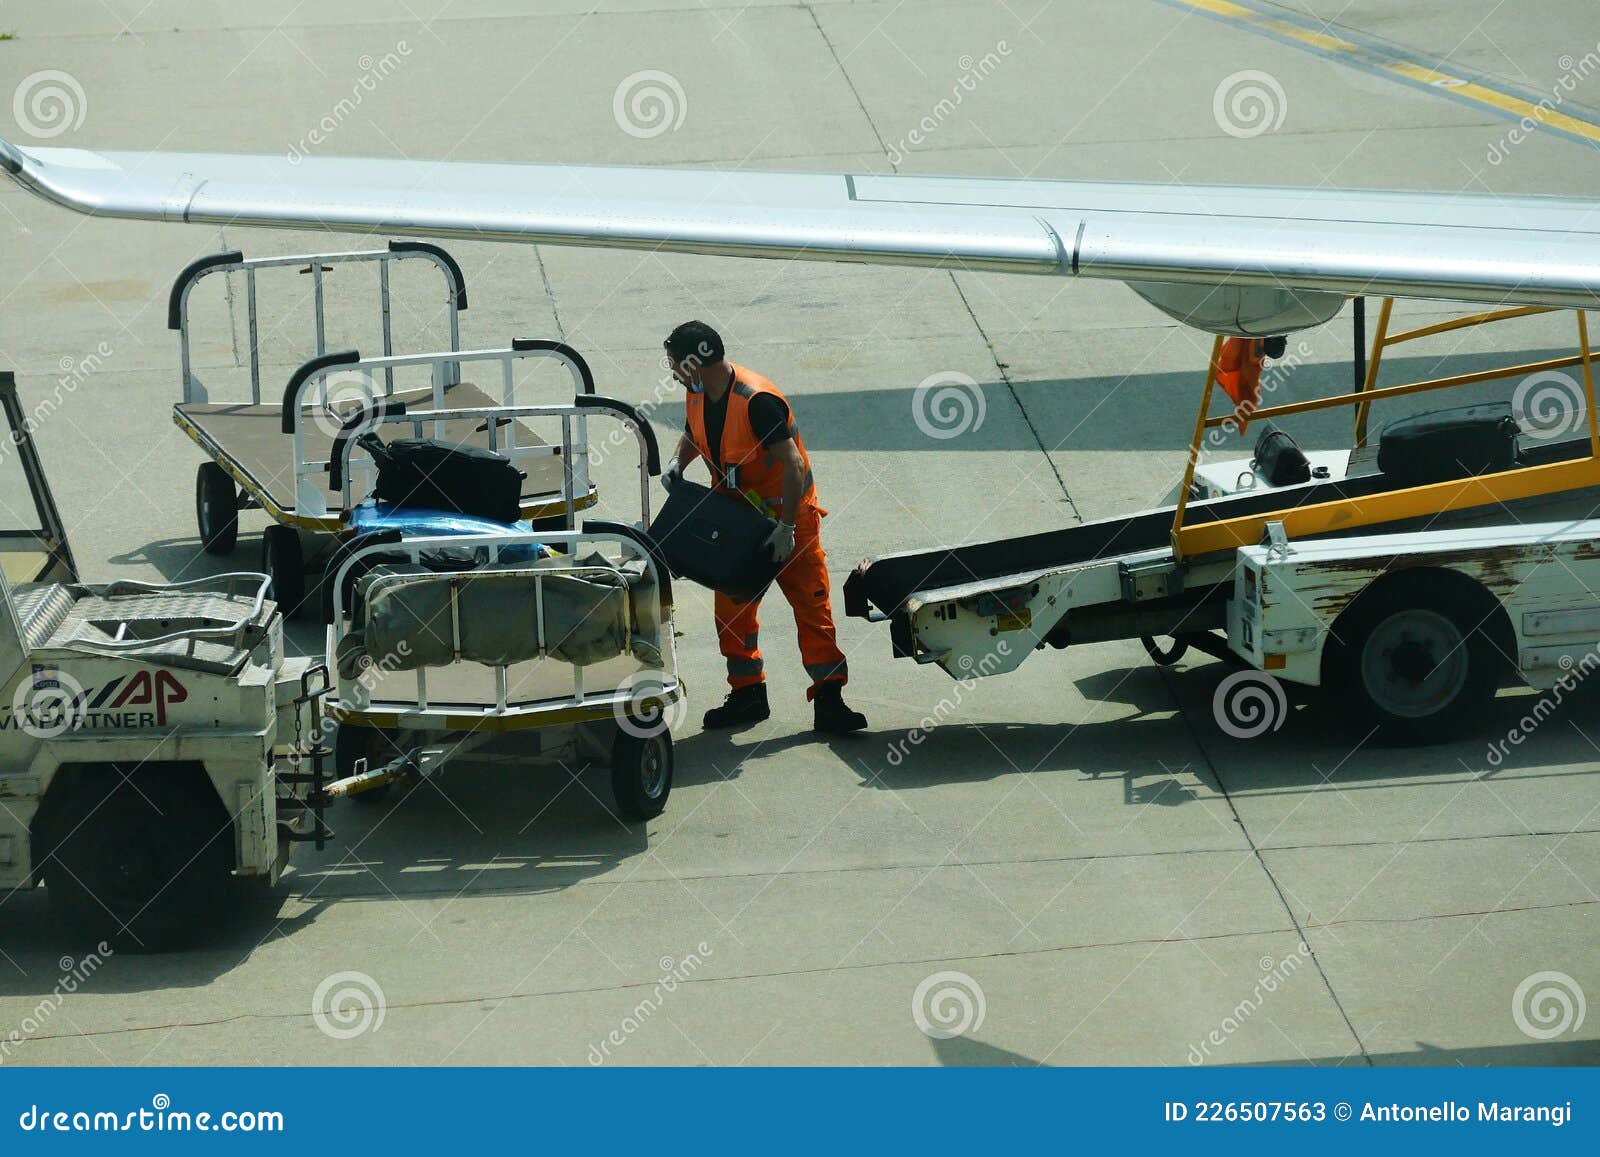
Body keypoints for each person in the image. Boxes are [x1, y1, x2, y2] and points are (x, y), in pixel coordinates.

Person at [661, 320, 867, 734]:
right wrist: (678, 463)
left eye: (673, 363)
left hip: (788, 523)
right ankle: (748, 695)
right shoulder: (697, 392)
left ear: (694, 364)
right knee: (733, 612)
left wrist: (787, 527)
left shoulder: (756, 402)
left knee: (812, 609)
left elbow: (792, 464)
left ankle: (830, 700)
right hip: (738, 524)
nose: (671, 372)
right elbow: (692, 432)